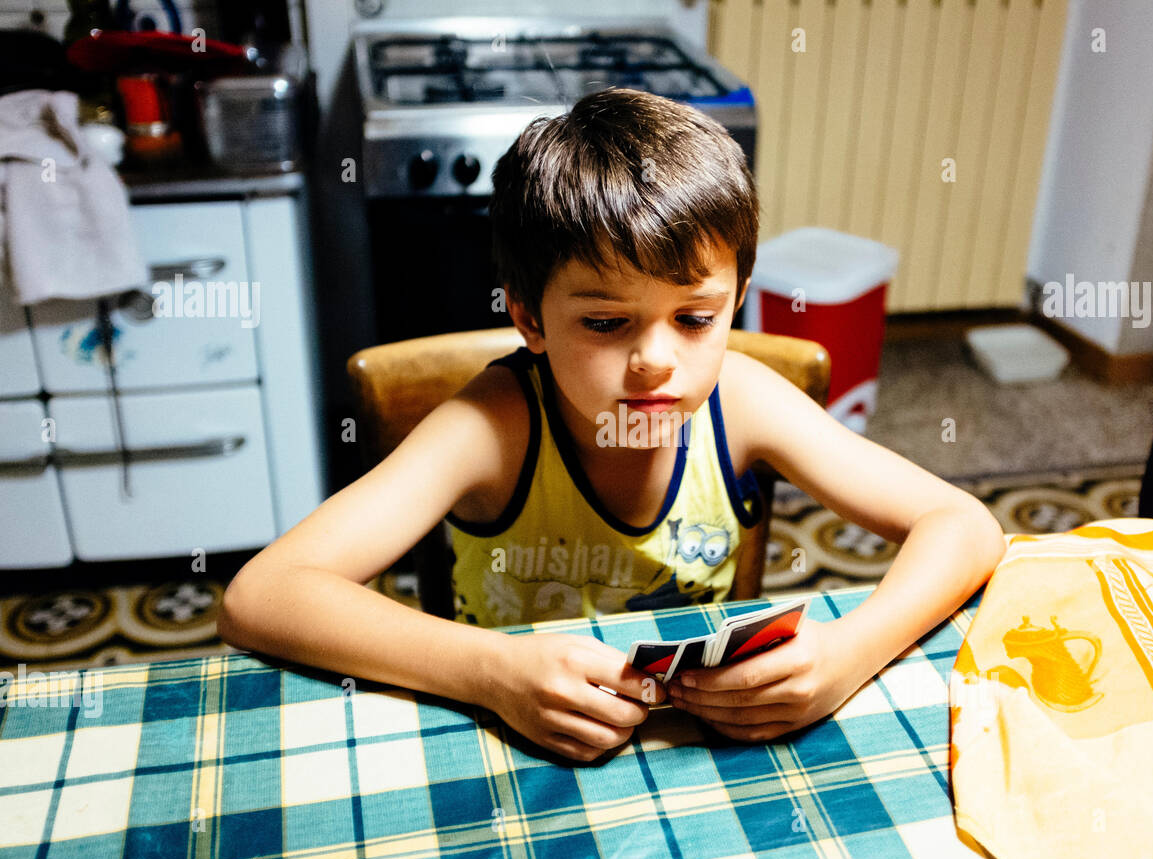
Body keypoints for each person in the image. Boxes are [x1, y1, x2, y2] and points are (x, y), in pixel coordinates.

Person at [218, 88, 1007, 763]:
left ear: (735, 303)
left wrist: (845, 654)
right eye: (605, 324)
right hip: (510, 741)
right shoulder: (493, 427)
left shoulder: (745, 402)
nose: (655, 362)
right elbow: (264, 595)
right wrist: (491, 671)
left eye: (695, 317)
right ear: (529, 318)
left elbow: (964, 526)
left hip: (696, 748)